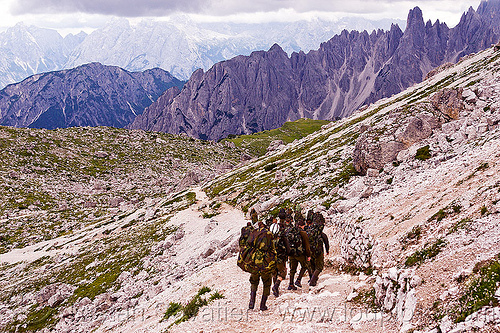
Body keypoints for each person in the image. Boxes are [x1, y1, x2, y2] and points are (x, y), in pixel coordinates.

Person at [238, 215, 277, 311]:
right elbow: (272, 247)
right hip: (265, 262)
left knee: (254, 281)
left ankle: (252, 302)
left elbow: (248, 244)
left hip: (254, 261)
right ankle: (262, 305)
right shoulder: (269, 234)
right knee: (267, 283)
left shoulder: (253, 233)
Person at [305, 211, 329, 286]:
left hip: (309, 251)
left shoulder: (307, 231)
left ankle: (312, 279)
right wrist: (327, 250)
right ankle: (312, 281)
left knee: (312, 266)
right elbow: (326, 242)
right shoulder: (320, 233)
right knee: (319, 267)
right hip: (318, 251)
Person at [271, 208, 290, 297]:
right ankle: (276, 286)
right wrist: (288, 254)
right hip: (281, 257)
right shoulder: (282, 236)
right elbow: (287, 247)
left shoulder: (269, 238)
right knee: (282, 273)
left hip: (271, 257)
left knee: (274, 272)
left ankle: (276, 289)